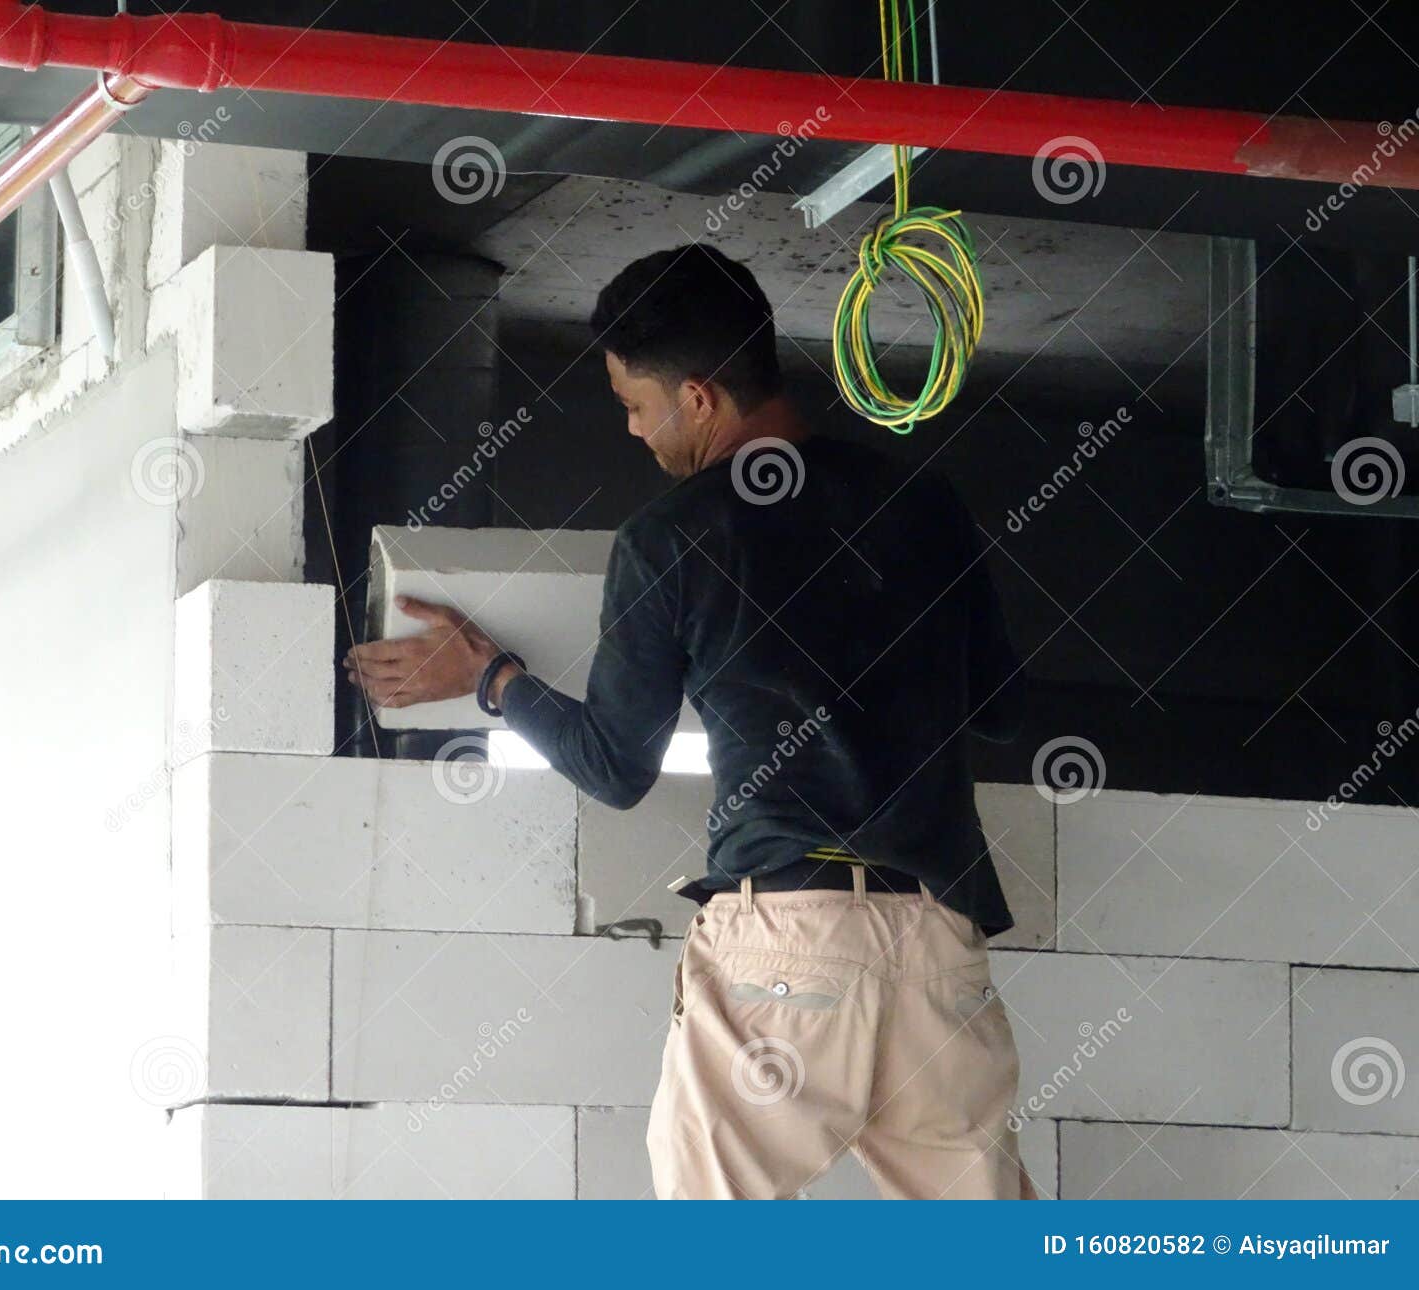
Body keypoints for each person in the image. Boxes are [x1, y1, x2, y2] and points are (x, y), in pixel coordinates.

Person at [346, 242, 1037, 1200]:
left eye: (636, 404)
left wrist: (491, 678)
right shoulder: (924, 502)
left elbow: (616, 767)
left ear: (701, 399)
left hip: (785, 948)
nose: (633, 431)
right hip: (938, 940)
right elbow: (1002, 711)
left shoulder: (673, 537)